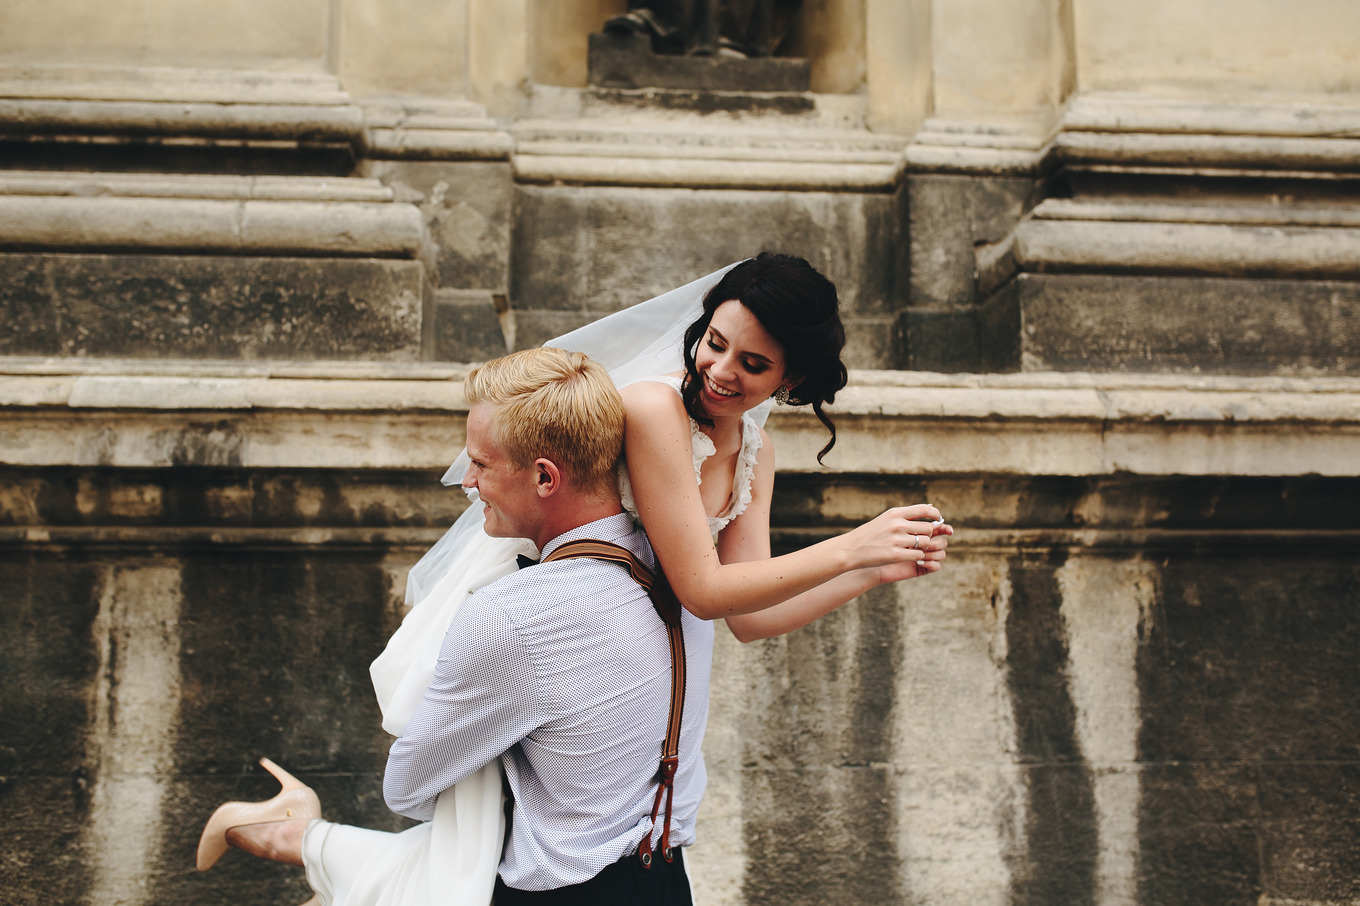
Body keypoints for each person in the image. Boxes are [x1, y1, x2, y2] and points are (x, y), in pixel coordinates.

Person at [197, 255, 952, 905]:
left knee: (466, 856)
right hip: (568, 624)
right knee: (465, 845)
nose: (720, 371)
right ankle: (292, 833)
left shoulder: (756, 450)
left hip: (645, 705)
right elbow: (700, 586)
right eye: (715, 344)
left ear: (793, 379)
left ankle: (292, 831)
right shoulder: (654, 408)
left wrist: (873, 570)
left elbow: (749, 612)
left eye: (752, 365)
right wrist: (852, 545)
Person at [198, 347, 704, 905]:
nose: (467, 481)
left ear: (544, 477)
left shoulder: (510, 615)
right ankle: (296, 834)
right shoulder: (677, 565)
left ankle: (295, 835)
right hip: (665, 881)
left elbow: (408, 787)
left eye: (480, 463)